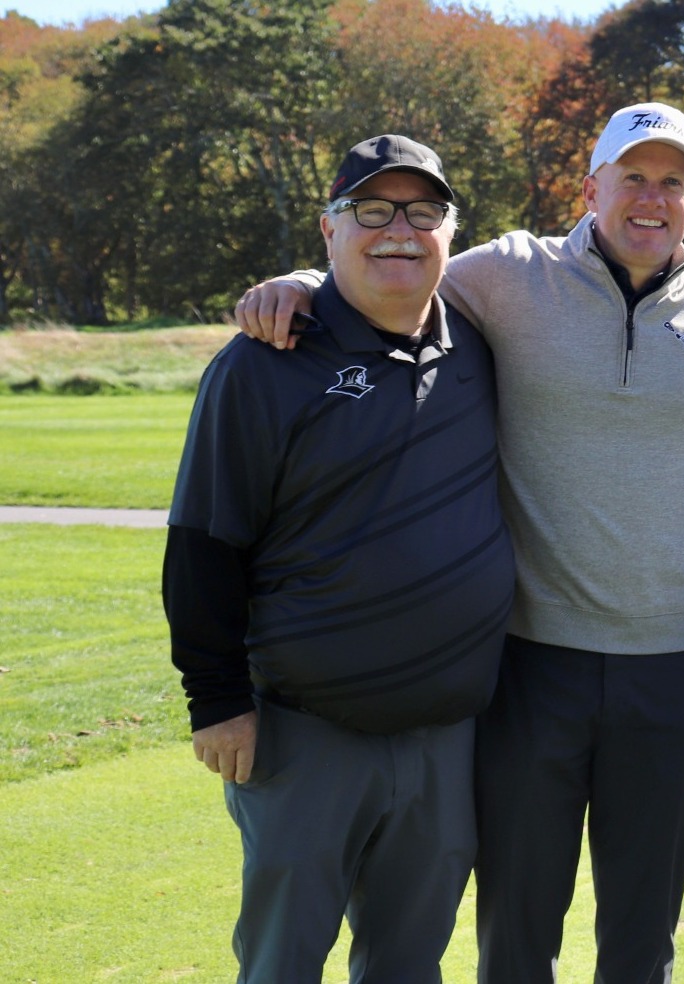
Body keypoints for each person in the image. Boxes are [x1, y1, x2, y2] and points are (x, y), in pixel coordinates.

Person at [231, 104, 684, 984]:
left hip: (672, 668)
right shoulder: (509, 274)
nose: (651, 198)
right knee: (517, 930)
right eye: (632, 178)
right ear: (590, 189)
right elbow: (394, 261)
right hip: (531, 663)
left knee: (640, 939)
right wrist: (300, 281)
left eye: (671, 182)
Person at [163, 134, 513, 981]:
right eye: (372, 210)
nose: (399, 230)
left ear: (451, 231)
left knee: (409, 964)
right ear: (329, 229)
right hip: (303, 735)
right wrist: (216, 700)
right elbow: (204, 541)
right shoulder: (264, 361)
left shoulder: (483, 344)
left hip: (445, 738)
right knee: (282, 963)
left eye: (422, 212)